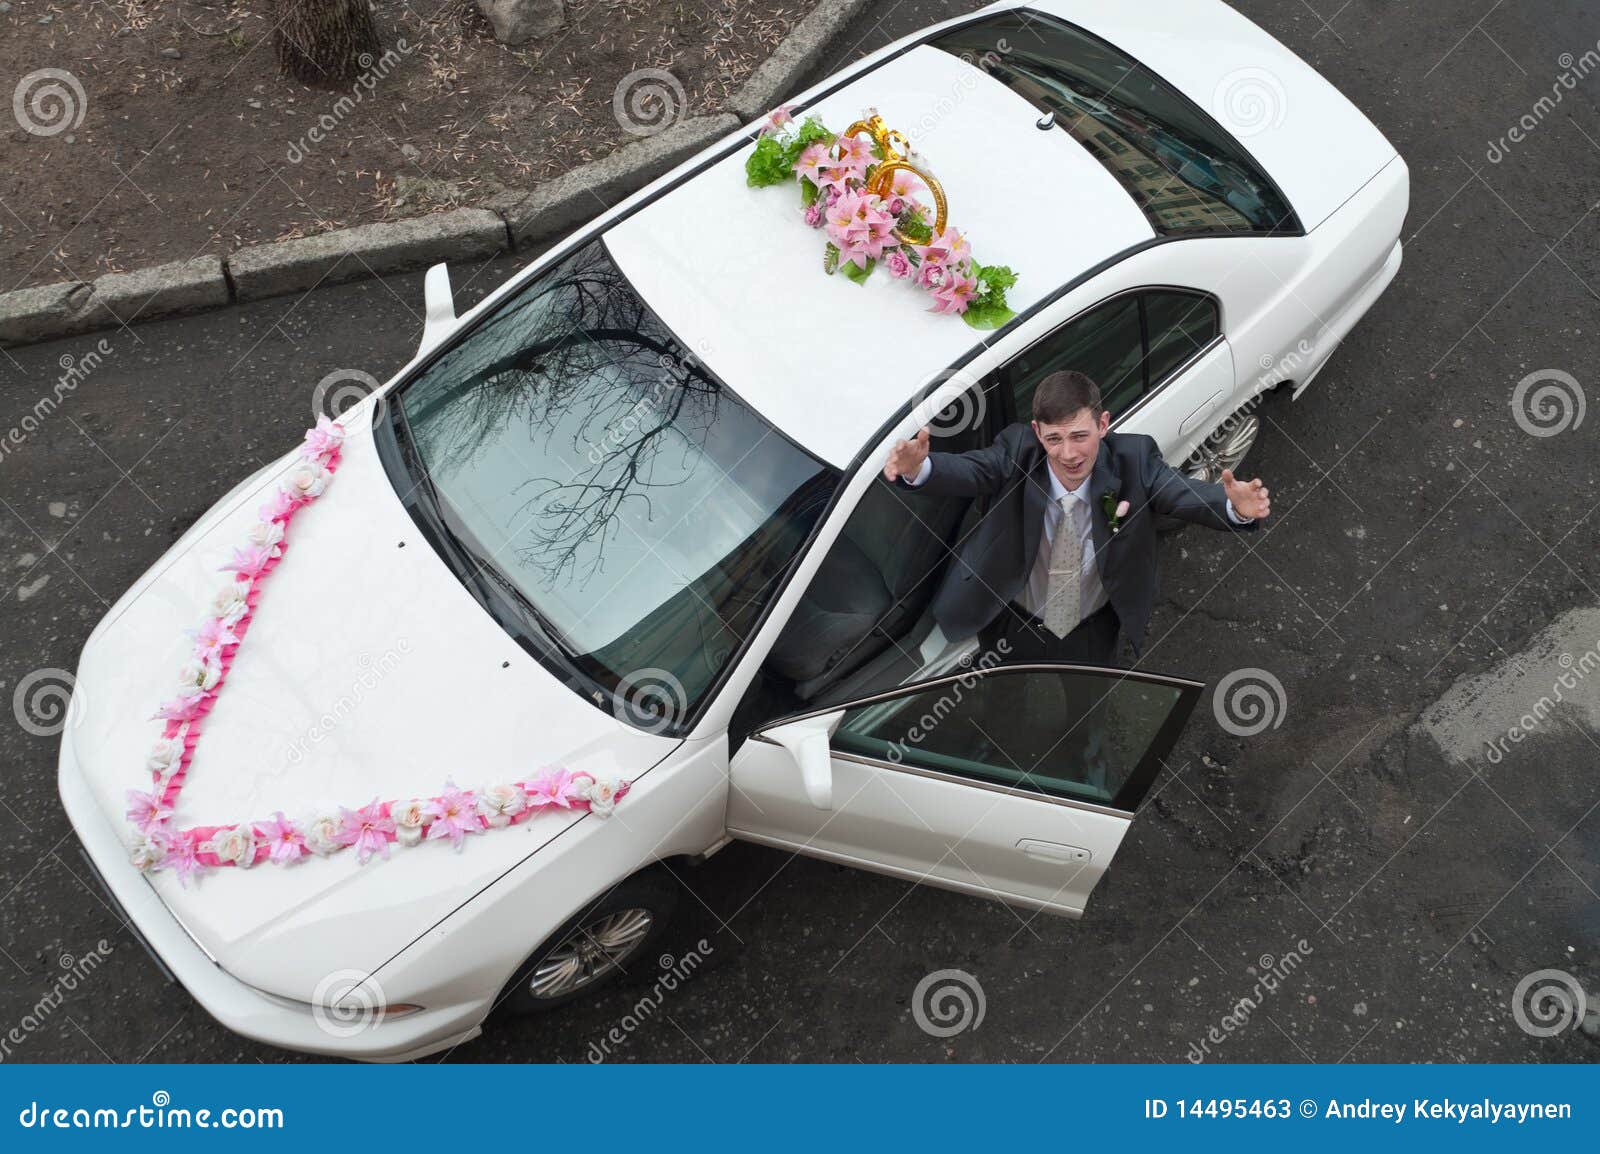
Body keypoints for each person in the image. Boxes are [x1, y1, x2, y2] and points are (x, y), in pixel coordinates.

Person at [883, 370, 1271, 667]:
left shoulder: (1135, 460)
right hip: (1012, 615)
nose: (1068, 453)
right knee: (1002, 692)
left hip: (1092, 624)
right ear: (1037, 432)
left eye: (1079, 436)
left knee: (1085, 699)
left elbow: (1178, 493)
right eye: (1054, 439)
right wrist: (922, 468)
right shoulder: (1018, 450)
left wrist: (1231, 507)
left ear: (1103, 424)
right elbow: (973, 471)